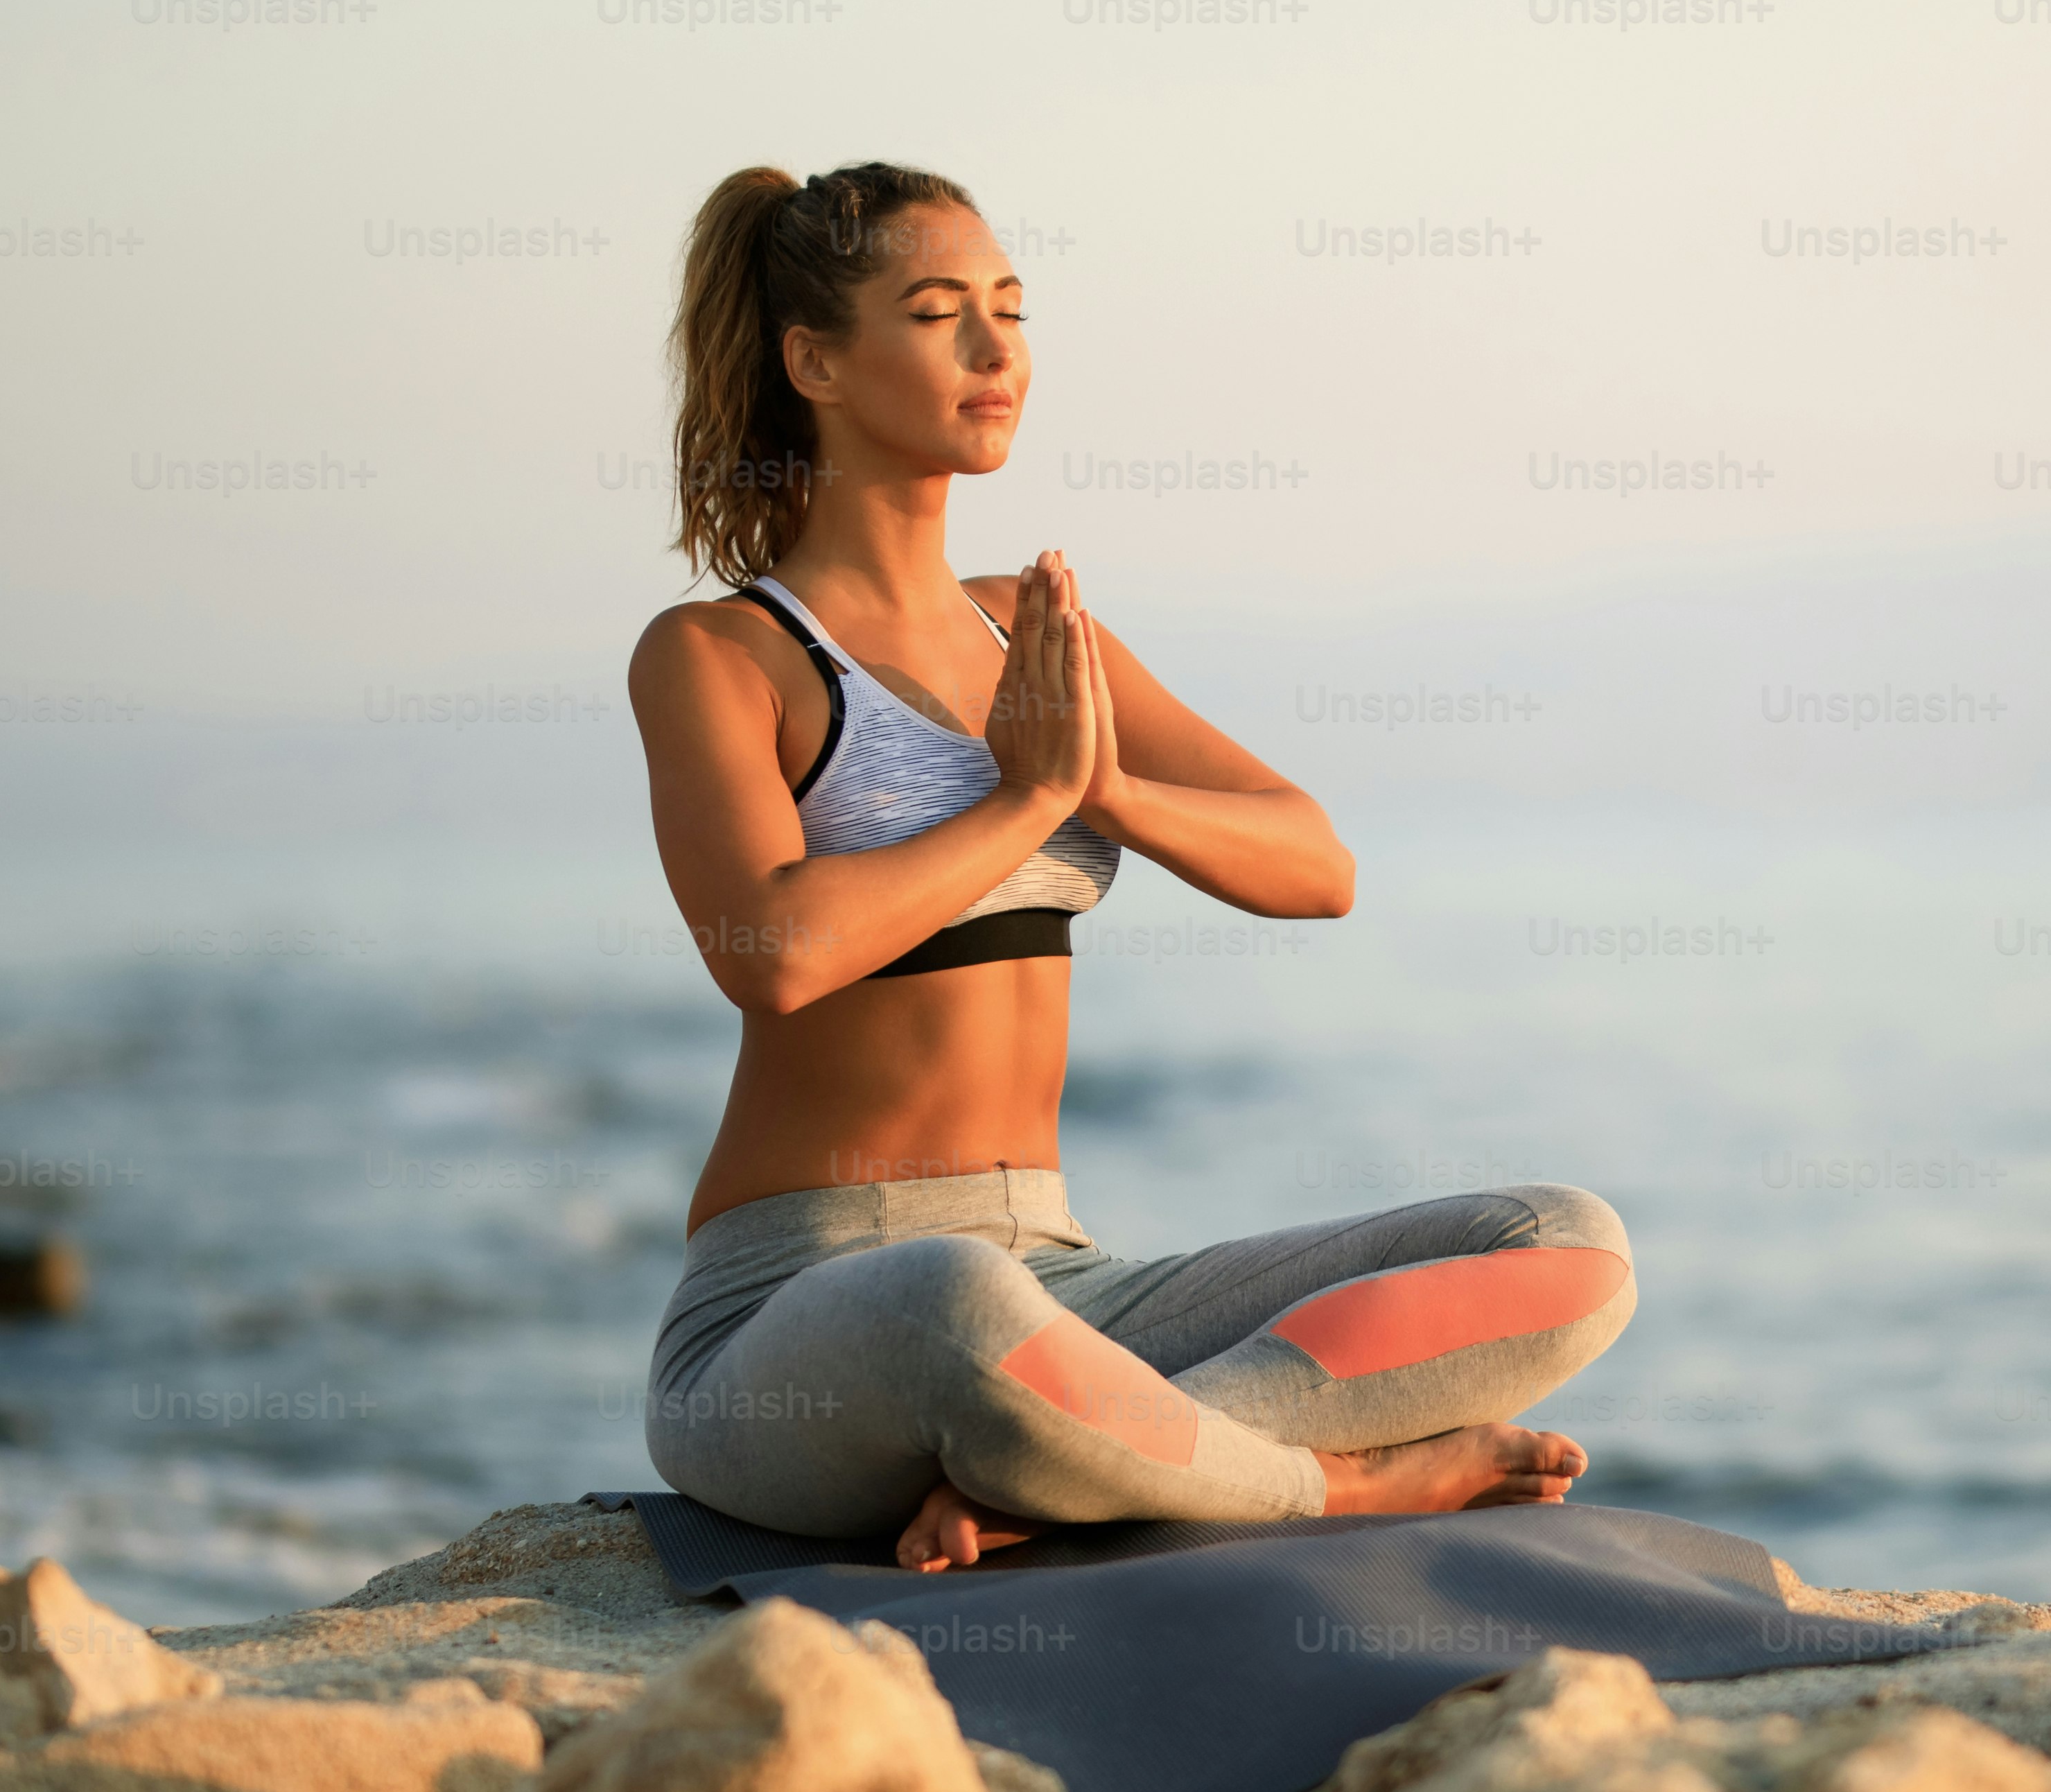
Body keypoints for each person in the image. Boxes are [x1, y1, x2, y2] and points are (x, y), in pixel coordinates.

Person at [627, 161, 1632, 1570]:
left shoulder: (1036, 639)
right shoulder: (723, 655)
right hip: (803, 1304)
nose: (996, 352)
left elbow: (1316, 862)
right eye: (938, 314)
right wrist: (1029, 796)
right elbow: (772, 952)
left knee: (1562, 1243)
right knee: (957, 1307)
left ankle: (1072, 1464)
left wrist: (1106, 788)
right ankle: (1322, 1486)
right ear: (816, 361)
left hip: (1067, 1281)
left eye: (1012, 311)